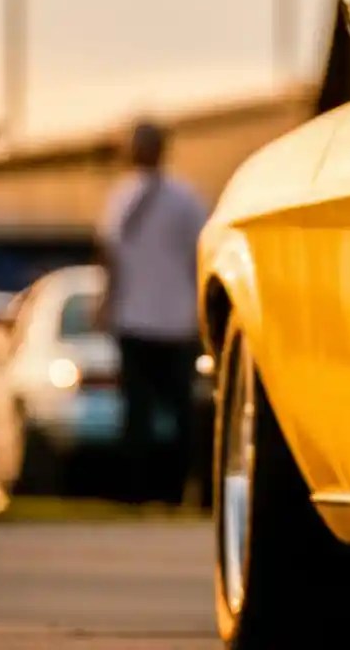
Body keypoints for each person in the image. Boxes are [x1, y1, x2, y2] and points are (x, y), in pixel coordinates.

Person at [96, 121, 208, 504]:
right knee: (141, 413)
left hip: (173, 319)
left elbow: (201, 253)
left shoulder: (183, 198)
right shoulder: (124, 196)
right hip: (139, 318)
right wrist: (108, 302)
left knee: (177, 413)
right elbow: (111, 256)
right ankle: (140, 489)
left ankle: (177, 488)